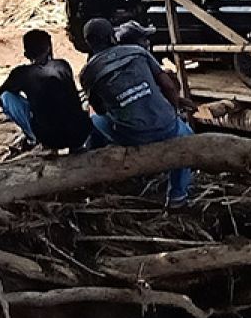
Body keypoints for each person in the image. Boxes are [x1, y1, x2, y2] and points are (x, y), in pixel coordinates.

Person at [79, 18, 194, 208]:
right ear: (112, 36)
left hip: (130, 135)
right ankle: (177, 196)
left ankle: (96, 178)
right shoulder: (137, 52)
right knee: (186, 138)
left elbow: (99, 108)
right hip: (166, 126)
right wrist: (174, 110)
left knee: (93, 121)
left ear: (87, 43)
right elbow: (167, 86)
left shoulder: (88, 72)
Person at [0, 30, 91, 152]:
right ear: (49, 48)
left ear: (26, 54)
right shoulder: (63, 65)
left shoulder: (22, 74)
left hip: (50, 138)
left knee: (6, 96)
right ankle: (73, 147)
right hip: (79, 134)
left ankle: (34, 139)